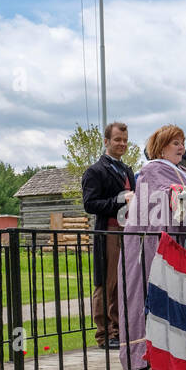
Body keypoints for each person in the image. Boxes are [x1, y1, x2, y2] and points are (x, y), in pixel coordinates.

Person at [117, 125, 186, 370]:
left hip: (181, 244)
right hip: (150, 246)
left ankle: (179, 354)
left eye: (182, 142)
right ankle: (145, 354)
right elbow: (159, 200)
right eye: (175, 143)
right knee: (148, 294)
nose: (181, 147)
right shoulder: (153, 169)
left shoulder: (183, 170)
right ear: (161, 147)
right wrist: (182, 194)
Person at [81, 122, 137, 349]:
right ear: (106, 142)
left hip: (128, 232)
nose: (122, 144)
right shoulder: (95, 171)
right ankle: (104, 335)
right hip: (109, 232)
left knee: (124, 282)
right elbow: (89, 204)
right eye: (117, 140)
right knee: (107, 283)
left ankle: (120, 331)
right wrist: (119, 200)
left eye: (125, 140)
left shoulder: (128, 170)